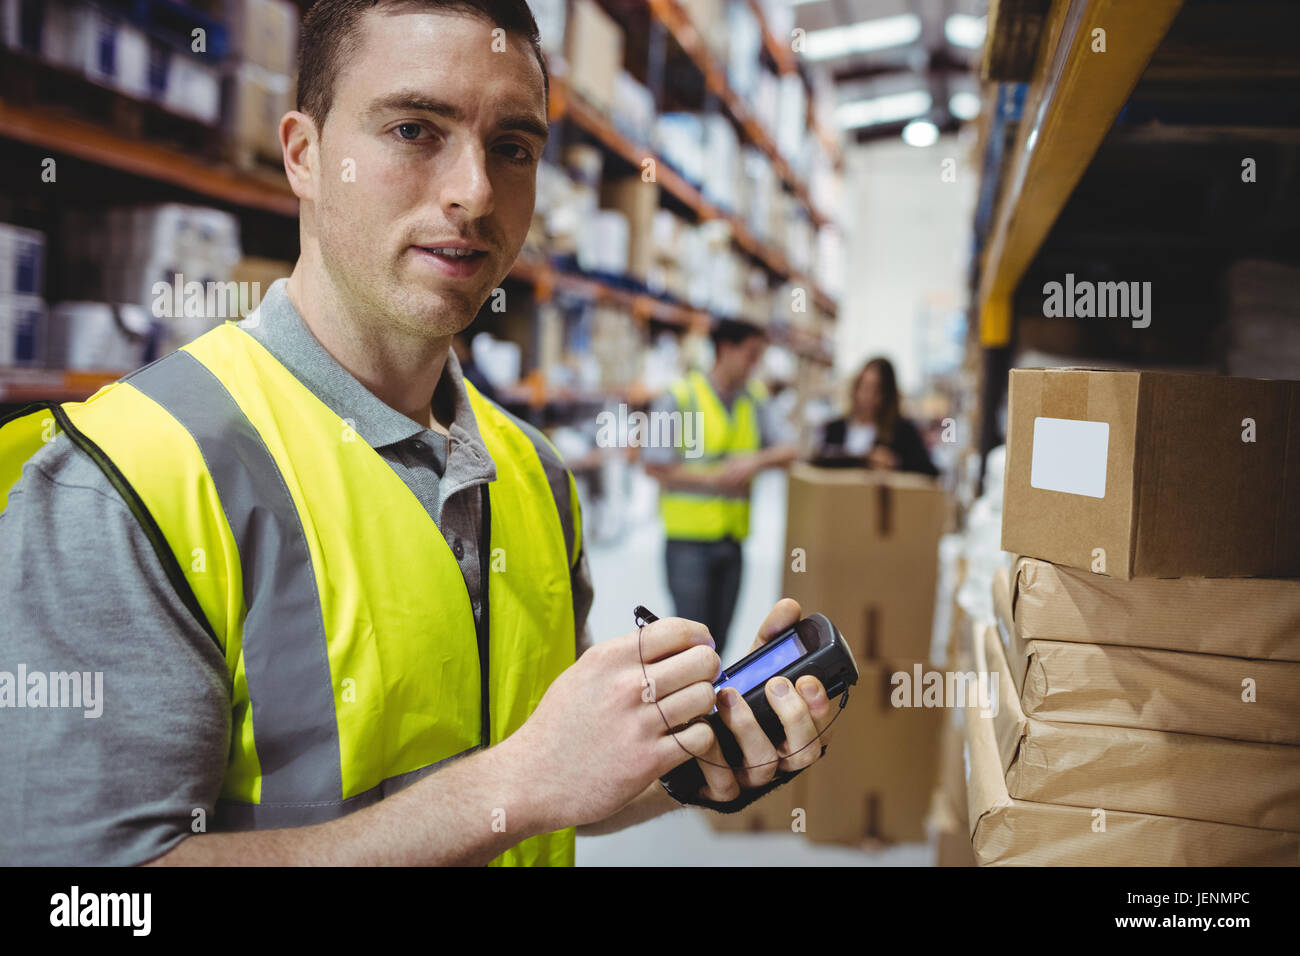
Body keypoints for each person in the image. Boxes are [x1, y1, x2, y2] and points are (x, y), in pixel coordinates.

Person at [0, 0, 837, 866]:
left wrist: (682, 769)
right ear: (304, 155)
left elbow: (554, 784)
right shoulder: (127, 481)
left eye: (512, 148)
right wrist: (511, 786)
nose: (474, 191)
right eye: (413, 130)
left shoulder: (533, 474)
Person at [643, 319, 799, 656]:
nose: (755, 363)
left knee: (721, 643)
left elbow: (791, 448)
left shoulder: (754, 399)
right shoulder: (679, 397)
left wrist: (754, 462)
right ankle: (688, 709)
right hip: (688, 543)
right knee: (692, 645)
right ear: (725, 349)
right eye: (751, 354)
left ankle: (713, 708)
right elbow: (653, 462)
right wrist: (713, 478)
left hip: (733, 541)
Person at [814, 356, 938, 476]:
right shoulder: (834, 428)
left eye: (876, 391)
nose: (868, 397)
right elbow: (818, 462)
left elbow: (929, 471)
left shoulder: (903, 432)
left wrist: (895, 463)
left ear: (887, 396)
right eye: (865, 388)